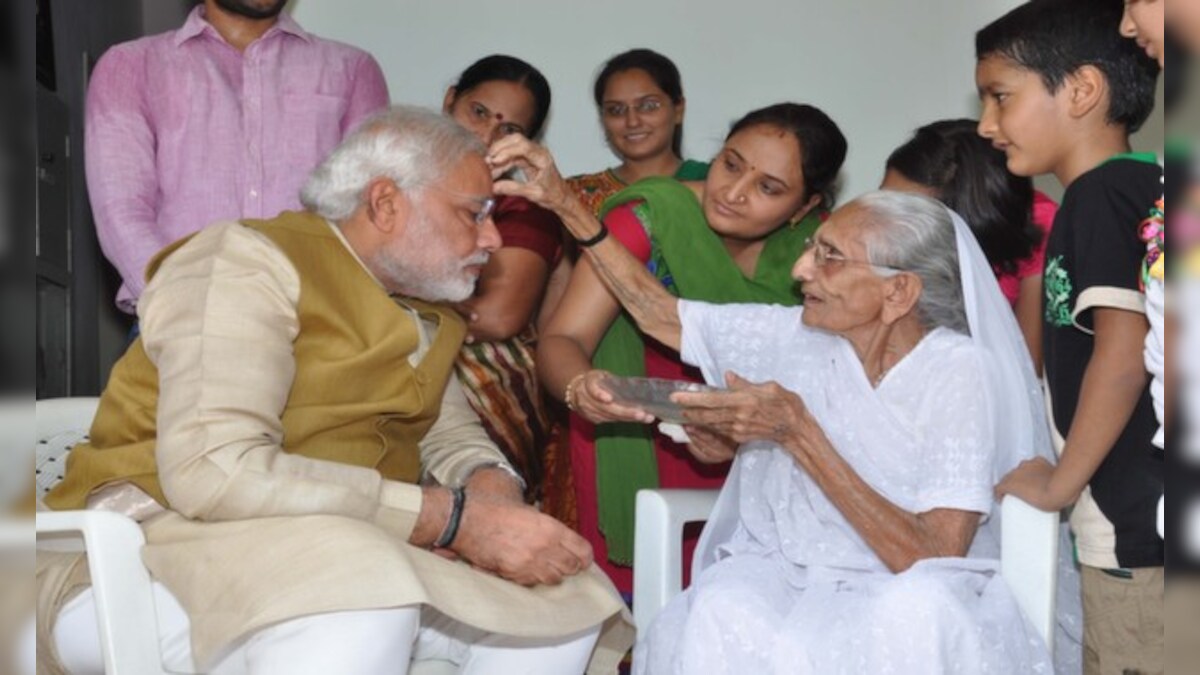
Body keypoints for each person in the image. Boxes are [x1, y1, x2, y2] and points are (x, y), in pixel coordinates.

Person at [39, 107, 631, 674]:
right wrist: (449, 522)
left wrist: (489, 491)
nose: (494, 238)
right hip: (146, 554)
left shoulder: (428, 308)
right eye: (473, 213)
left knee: (560, 597)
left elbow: (446, 433)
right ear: (386, 203)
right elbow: (215, 471)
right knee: (364, 593)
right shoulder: (245, 263)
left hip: (337, 550)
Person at [485, 135, 1060, 670]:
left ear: (898, 291)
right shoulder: (796, 335)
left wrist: (798, 435)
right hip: (788, 573)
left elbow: (934, 553)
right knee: (720, 607)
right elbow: (658, 312)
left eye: (829, 257)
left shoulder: (957, 369)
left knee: (914, 613)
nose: (802, 270)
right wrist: (564, 204)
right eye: (813, 248)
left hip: (907, 585)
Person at [537, 103, 847, 596]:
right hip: (632, 436)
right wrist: (580, 386)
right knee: (641, 608)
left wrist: (739, 435)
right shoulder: (649, 218)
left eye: (768, 188)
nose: (734, 192)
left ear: (807, 207)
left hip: (759, 454)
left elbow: (831, 384)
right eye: (730, 163)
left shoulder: (819, 256)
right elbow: (563, 339)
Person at [975, 1, 1164, 673]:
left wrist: (1059, 485)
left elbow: (1123, 352)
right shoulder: (1138, 187)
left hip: (1135, 537)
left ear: (1082, 90)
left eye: (1000, 97)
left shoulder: (1103, 194)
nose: (985, 124)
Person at [84, 0, 389, 315]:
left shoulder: (353, 70)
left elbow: (368, 217)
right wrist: (190, 306)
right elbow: (121, 213)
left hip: (319, 331)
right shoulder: (130, 67)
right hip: (180, 326)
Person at [441, 55, 564, 506]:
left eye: (509, 130)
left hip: (488, 363)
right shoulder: (396, 179)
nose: (487, 137)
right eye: (477, 113)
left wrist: (395, 312)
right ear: (450, 100)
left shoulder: (524, 203)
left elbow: (497, 317)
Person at [881, 118, 1056, 371]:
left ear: (966, 218)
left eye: (908, 212)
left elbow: (1025, 367)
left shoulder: (1039, 223)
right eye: (884, 201)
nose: (887, 219)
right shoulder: (877, 234)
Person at [566, 48, 710, 215]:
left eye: (648, 106)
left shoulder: (714, 184)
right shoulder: (573, 196)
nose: (632, 121)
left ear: (678, 110)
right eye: (616, 110)